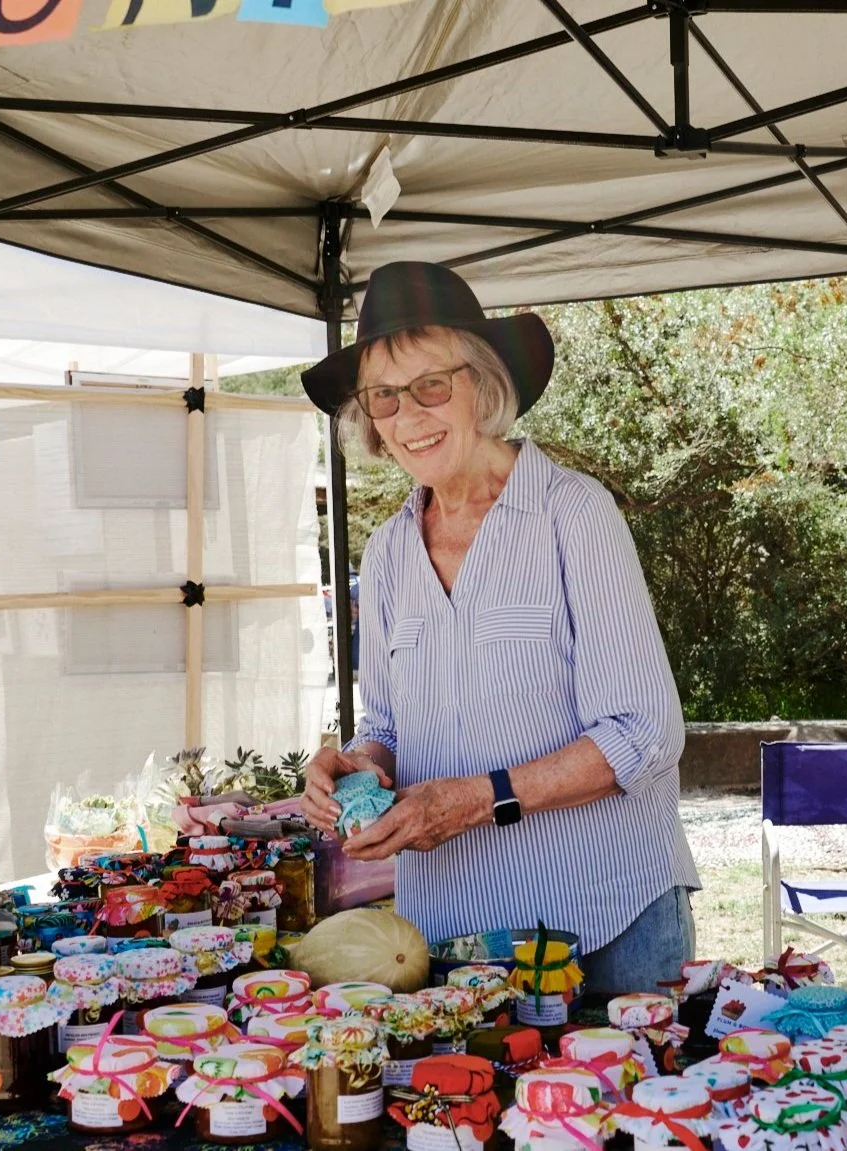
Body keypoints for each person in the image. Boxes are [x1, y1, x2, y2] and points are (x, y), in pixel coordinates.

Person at [298, 262, 698, 994]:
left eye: (430, 385)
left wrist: (475, 799)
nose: (408, 415)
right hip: (450, 935)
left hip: (605, 917)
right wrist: (356, 765)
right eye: (384, 396)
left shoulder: (572, 515)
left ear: (481, 386)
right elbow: (385, 721)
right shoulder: (387, 551)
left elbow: (643, 732)